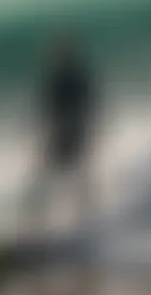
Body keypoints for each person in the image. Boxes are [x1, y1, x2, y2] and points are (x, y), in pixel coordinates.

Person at [27, 34, 99, 234]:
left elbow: (48, 108)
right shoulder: (74, 75)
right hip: (72, 131)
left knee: (51, 178)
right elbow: (89, 107)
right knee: (74, 177)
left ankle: (38, 226)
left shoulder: (66, 76)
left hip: (66, 132)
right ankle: (86, 223)